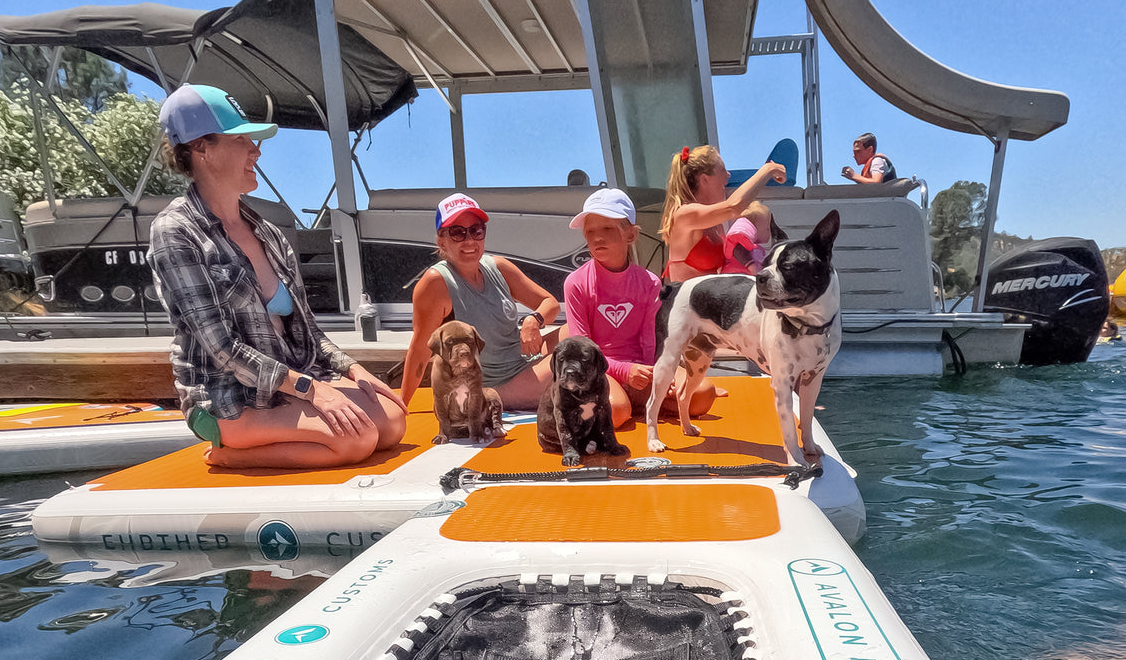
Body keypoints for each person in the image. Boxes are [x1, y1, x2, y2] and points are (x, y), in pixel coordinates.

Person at [148, 84, 405, 470]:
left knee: (393, 422)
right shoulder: (175, 231)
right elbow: (222, 349)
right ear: (202, 148)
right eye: (242, 139)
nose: (256, 150)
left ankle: (278, 436)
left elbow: (307, 330)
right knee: (359, 440)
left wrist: (352, 368)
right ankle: (227, 454)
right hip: (228, 398)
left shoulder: (267, 233)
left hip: (289, 388)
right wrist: (312, 390)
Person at [563, 187, 714, 427]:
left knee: (703, 394)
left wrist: (658, 373)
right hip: (599, 371)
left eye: (607, 229)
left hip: (642, 371)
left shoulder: (649, 282)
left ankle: (641, 403)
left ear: (630, 235)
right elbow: (582, 353)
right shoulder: (576, 283)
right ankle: (631, 404)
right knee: (616, 410)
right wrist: (625, 372)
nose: (597, 237)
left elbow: (651, 340)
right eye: (590, 231)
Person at [401, 193, 559, 408]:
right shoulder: (435, 283)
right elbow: (420, 351)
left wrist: (533, 320)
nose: (469, 240)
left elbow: (550, 303)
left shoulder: (499, 267)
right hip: (492, 383)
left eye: (476, 231)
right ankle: (488, 399)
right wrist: (403, 405)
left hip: (525, 364)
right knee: (573, 361)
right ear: (442, 241)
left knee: (580, 332)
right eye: (457, 233)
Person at [660, 145, 786, 283]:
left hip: (707, 300)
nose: (728, 175)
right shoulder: (684, 214)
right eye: (722, 169)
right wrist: (768, 170)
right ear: (705, 179)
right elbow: (733, 206)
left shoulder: (712, 221)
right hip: (686, 302)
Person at [720, 201, 774, 276]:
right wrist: (753, 268)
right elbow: (737, 248)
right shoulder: (742, 246)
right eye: (767, 228)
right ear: (754, 228)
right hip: (738, 279)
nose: (769, 231)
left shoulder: (754, 247)